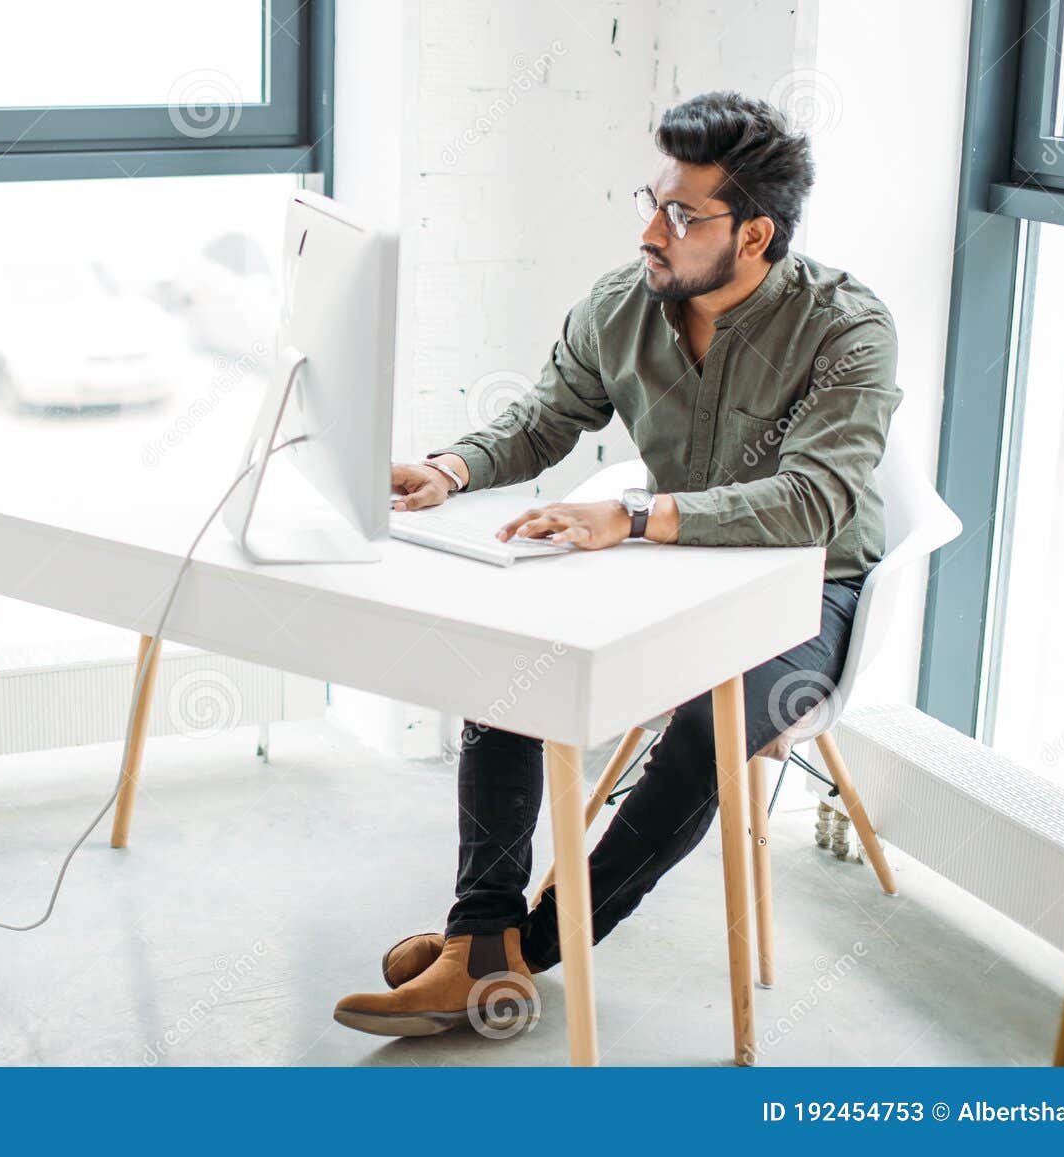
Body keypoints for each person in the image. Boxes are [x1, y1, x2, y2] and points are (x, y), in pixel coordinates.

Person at [333, 91, 902, 1038]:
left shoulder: (847, 328)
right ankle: (482, 943)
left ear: (754, 234)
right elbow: (543, 420)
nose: (651, 229)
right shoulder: (619, 303)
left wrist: (634, 514)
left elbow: (814, 501)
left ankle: (513, 951)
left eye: (682, 215)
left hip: (810, 588)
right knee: (511, 649)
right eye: (652, 199)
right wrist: (449, 467)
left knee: (712, 726)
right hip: (669, 571)